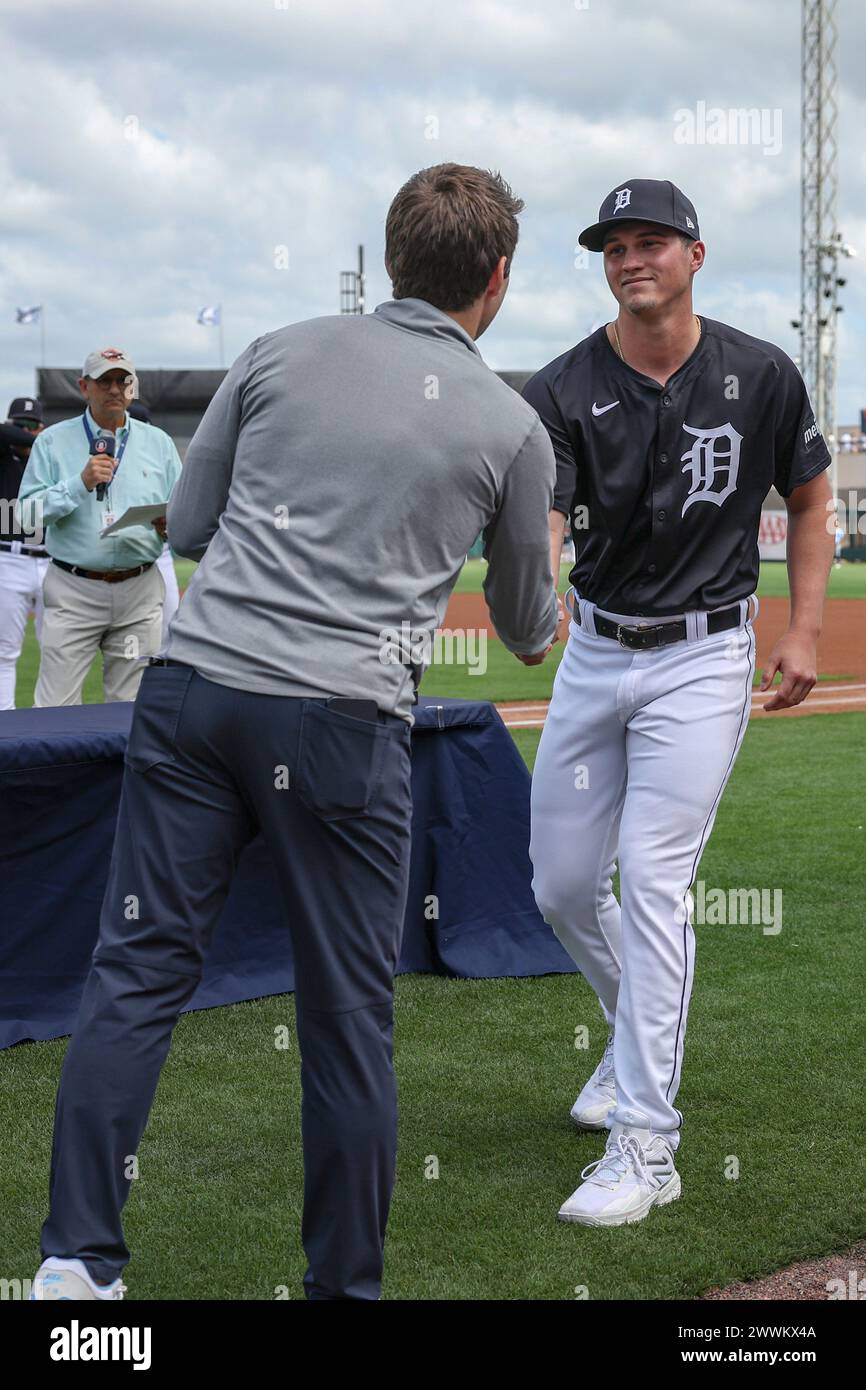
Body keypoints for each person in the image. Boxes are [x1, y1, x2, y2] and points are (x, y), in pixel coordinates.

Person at [30, 163, 559, 1301]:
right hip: (341, 724)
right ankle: (341, 1290)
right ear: (497, 280)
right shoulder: (513, 426)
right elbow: (525, 629)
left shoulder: (276, 348)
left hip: (196, 690)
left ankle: (75, 1264)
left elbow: (198, 521)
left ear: (393, 254)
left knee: (134, 975)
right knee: (345, 1019)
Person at [523, 178, 834, 1228]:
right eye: (612, 245)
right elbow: (549, 509)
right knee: (561, 886)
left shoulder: (758, 372)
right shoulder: (563, 383)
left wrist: (799, 626)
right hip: (597, 651)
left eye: (649, 241)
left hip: (704, 657)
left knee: (651, 881)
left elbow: (806, 497)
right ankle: (625, 1046)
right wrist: (543, 575)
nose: (627, 258)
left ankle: (646, 1144)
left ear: (694, 254)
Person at [17, 348, 182, 706]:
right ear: (84, 387)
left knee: (132, 706)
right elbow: (26, 516)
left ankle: (124, 766)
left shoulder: (159, 444)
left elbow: (184, 511)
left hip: (139, 590)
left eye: (124, 381)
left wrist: (171, 526)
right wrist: (78, 484)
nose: (115, 389)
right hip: (74, 591)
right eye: (104, 381)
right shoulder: (52, 441)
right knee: (55, 706)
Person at [0, 397, 48, 708]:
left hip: (50, 559)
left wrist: (43, 441)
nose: (25, 432)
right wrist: (31, 435)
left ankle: (53, 721)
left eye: (32, 425)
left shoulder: (50, 458)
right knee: (4, 650)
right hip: (9, 557)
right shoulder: (3, 455)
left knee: (58, 649)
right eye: (20, 425)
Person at [127, 397, 181, 645]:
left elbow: (180, 506)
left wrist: (169, 526)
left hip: (160, 553)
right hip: (125, 557)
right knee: (131, 639)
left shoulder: (161, 455)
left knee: (170, 632)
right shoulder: (105, 460)